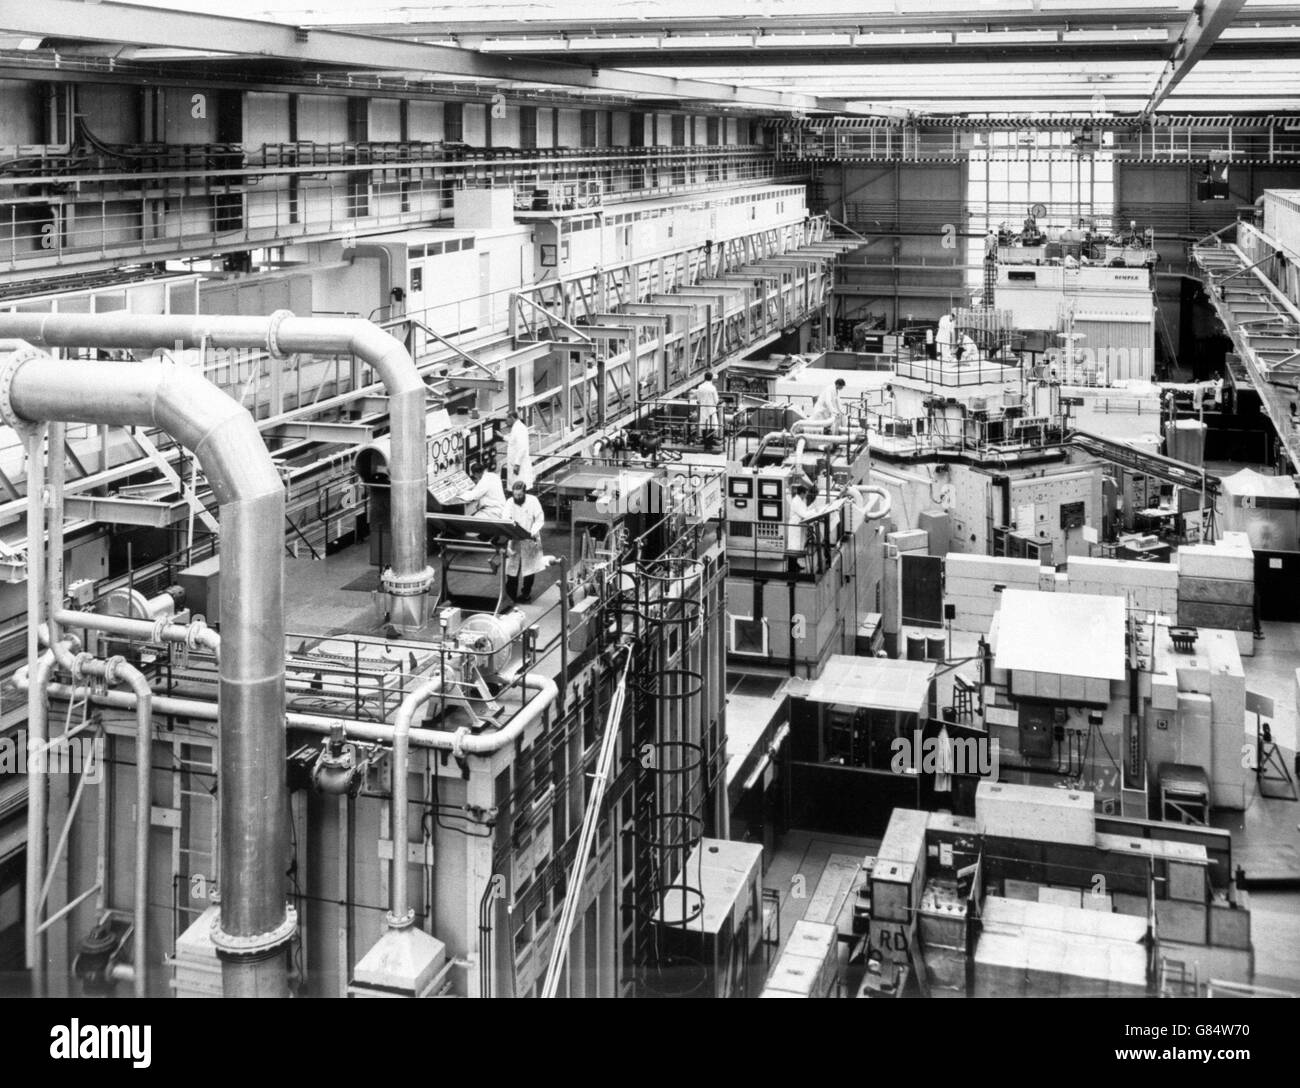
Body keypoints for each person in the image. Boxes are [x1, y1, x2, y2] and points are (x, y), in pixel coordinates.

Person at [504, 480, 546, 603]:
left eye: (520, 495)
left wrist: (532, 532)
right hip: (515, 540)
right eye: (515, 495)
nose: (517, 498)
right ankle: (510, 596)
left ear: (525, 493)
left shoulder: (533, 501)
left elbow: (539, 519)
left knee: (529, 569)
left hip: (529, 538)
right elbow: (505, 518)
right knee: (512, 569)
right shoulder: (509, 502)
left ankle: (525, 594)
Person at [505, 409, 535, 490]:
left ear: (512, 418)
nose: (505, 422)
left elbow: (522, 448)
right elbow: (513, 441)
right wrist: (502, 437)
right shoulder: (516, 427)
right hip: (515, 464)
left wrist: (517, 464)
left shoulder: (520, 428)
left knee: (520, 488)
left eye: (506, 419)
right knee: (517, 487)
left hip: (519, 465)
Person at [694, 370, 719, 438]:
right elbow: (716, 400)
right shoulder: (713, 388)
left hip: (703, 408)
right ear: (711, 378)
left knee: (704, 424)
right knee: (712, 424)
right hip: (711, 408)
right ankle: (710, 441)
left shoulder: (700, 387)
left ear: (704, 378)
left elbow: (698, 399)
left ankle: (704, 440)